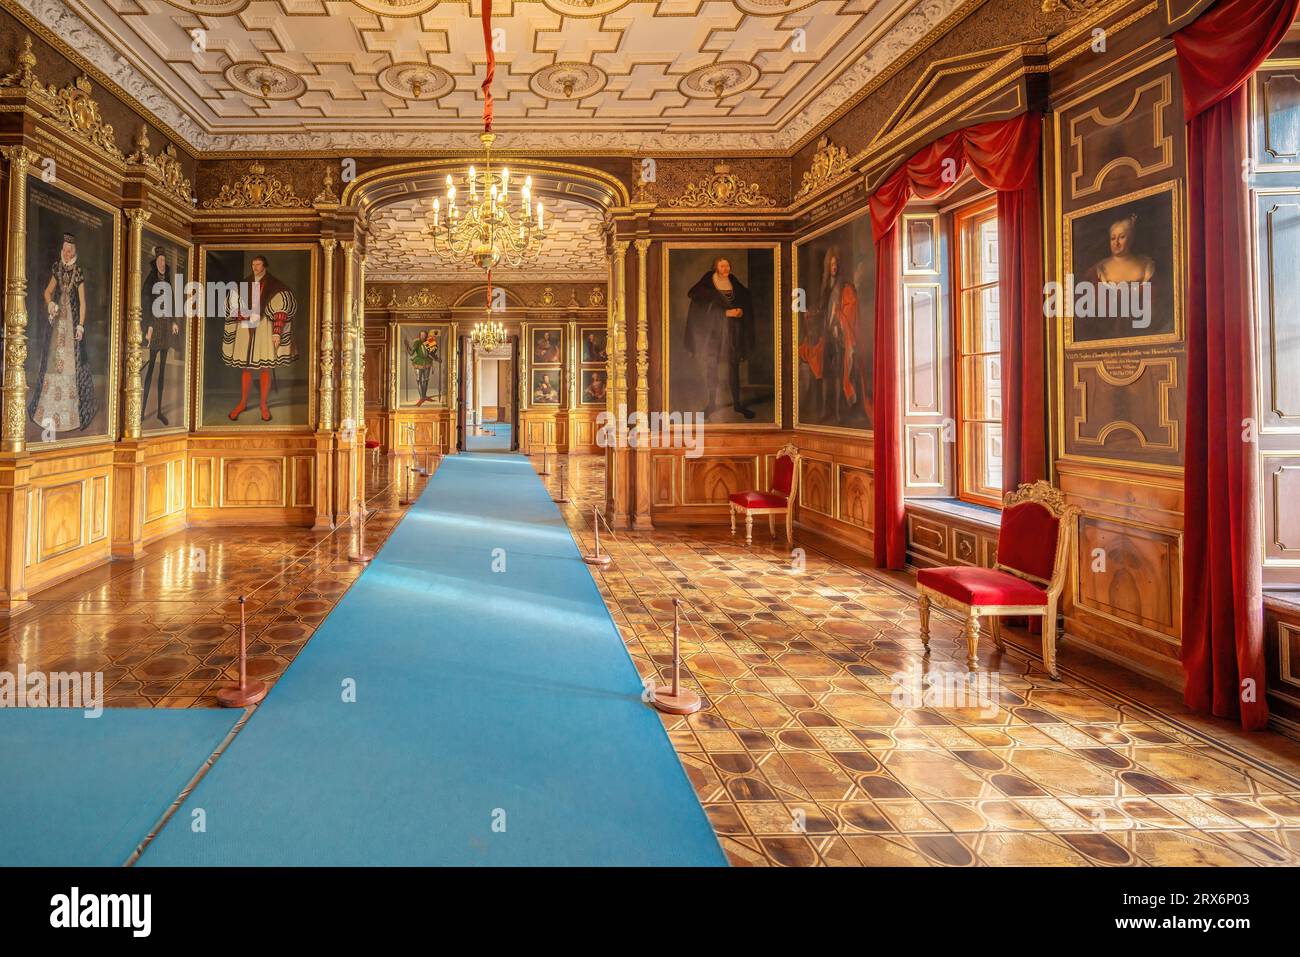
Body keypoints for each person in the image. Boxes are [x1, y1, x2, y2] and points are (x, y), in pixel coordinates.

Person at [30, 231, 97, 435]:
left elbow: (83, 302)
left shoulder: (78, 272)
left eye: (70, 250)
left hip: (72, 323)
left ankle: (71, 414)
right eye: (65, 250)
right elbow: (47, 292)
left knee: (72, 363)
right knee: (52, 362)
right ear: (62, 250)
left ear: (74, 251)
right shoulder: (57, 268)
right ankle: (49, 410)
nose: (67, 253)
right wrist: (50, 303)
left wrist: (81, 325)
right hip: (57, 323)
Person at [223, 254, 297, 422]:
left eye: (258, 264)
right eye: (253, 264)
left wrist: (277, 331)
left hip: (264, 326)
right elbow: (232, 306)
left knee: (265, 366)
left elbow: (282, 306)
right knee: (246, 367)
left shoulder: (275, 285)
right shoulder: (244, 283)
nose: (255, 267)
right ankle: (242, 402)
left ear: (265, 266)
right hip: (246, 326)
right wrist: (244, 315)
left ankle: (263, 404)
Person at [683, 256, 755, 419]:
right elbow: (702, 307)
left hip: (732, 331)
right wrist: (724, 313)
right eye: (722, 266)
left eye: (728, 266)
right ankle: (712, 404)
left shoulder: (733, 281)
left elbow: (745, 298)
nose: (726, 269)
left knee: (733, 365)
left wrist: (741, 310)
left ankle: (737, 404)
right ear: (715, 267)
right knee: (712, 366)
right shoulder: (707, 284)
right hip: (713, 332)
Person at [142, 245, 181, 426]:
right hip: (155, 325)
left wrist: (174, 321)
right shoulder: (150, 280)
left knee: (163, 371)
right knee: (150, 371)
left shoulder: (167, 281)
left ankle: (158, 412)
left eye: (164, 260)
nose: (162, 263)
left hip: (166, 326)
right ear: (155, 262)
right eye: (159, 260)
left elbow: (171, 302)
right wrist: (148, 328)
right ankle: (141, 412)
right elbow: (147, 304)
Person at [409, 329, 440, 405]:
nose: (423, 336)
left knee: (426, 380)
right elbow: (411, 353)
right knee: (419, 380)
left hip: (427, 361)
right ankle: (421, 397)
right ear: (419, 336)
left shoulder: (429, 342)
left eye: (424, 335)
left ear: (426, 335)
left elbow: (432, 353)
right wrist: (407, 346)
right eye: (421, 335)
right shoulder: (417, 343)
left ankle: (424, 396)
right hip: (418, 361)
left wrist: (437, 359)